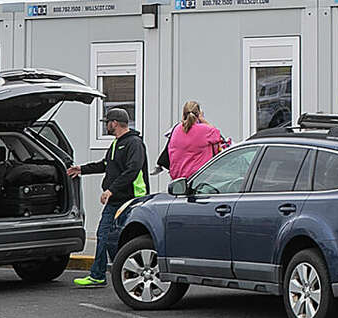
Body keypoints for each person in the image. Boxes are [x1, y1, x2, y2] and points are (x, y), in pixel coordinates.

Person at [69, 107, 148, 287]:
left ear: (115, 123)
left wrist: (111, 190)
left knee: (115, 237)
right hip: (115, 200)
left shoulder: (134, 143)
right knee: (105, 235)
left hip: (130, 200)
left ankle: (119, 272)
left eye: (107, 123)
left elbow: (132, 170)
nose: (106, 126)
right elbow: (105, 165)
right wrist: (81, 169)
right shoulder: (116, 143)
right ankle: (100, 275)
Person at [163, 101, 230, 182]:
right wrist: (203, 120)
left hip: (178, 180)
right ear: (198, 115)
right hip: (198, 180)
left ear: (183, 115)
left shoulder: (176, 130)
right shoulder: (205, 130)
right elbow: (218, 135)